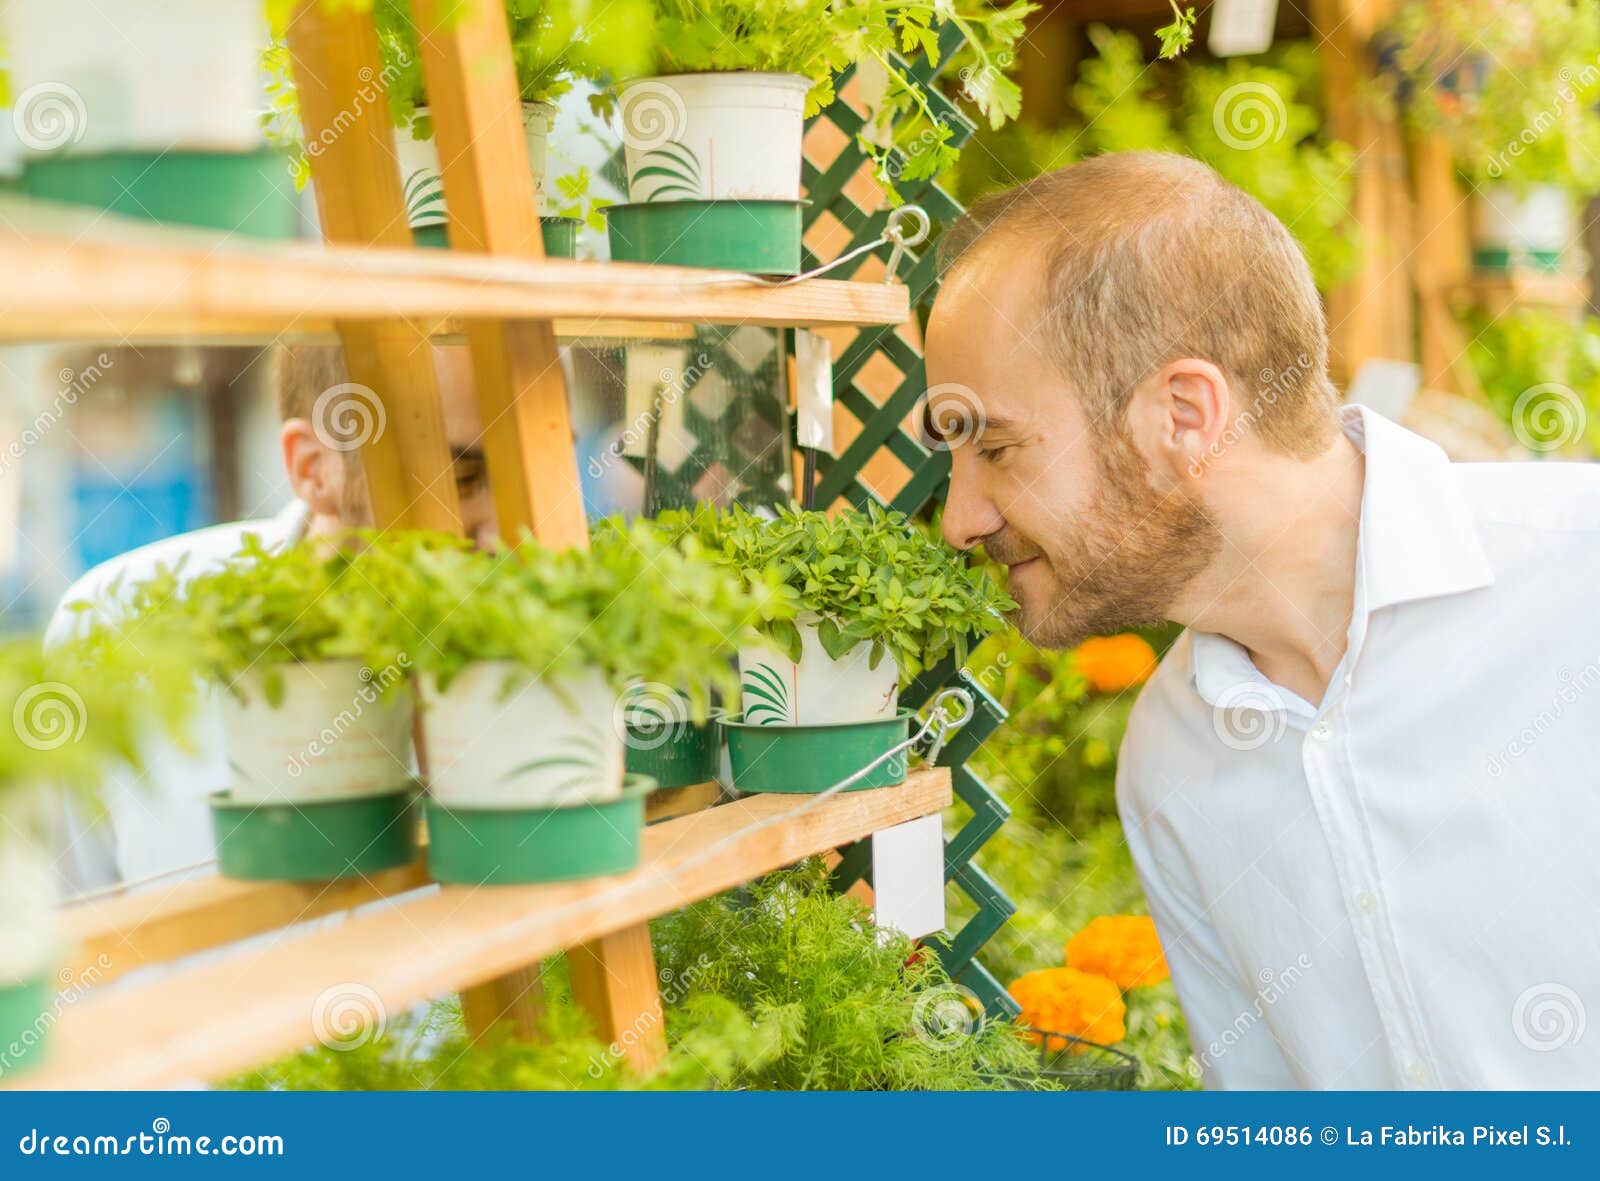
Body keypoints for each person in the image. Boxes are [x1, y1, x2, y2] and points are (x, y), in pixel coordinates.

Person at [923, 151, 1600, 1089]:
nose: (962, 518)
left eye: (996, 446)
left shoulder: (1580, 581)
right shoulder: (1168, 757)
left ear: (1187, 414)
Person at [46, 342, 496, 892]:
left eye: (543, 468)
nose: (504, 532)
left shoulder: (585, 656)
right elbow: (66, 938)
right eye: (463, 481)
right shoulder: (116, 618)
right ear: (315, 467)